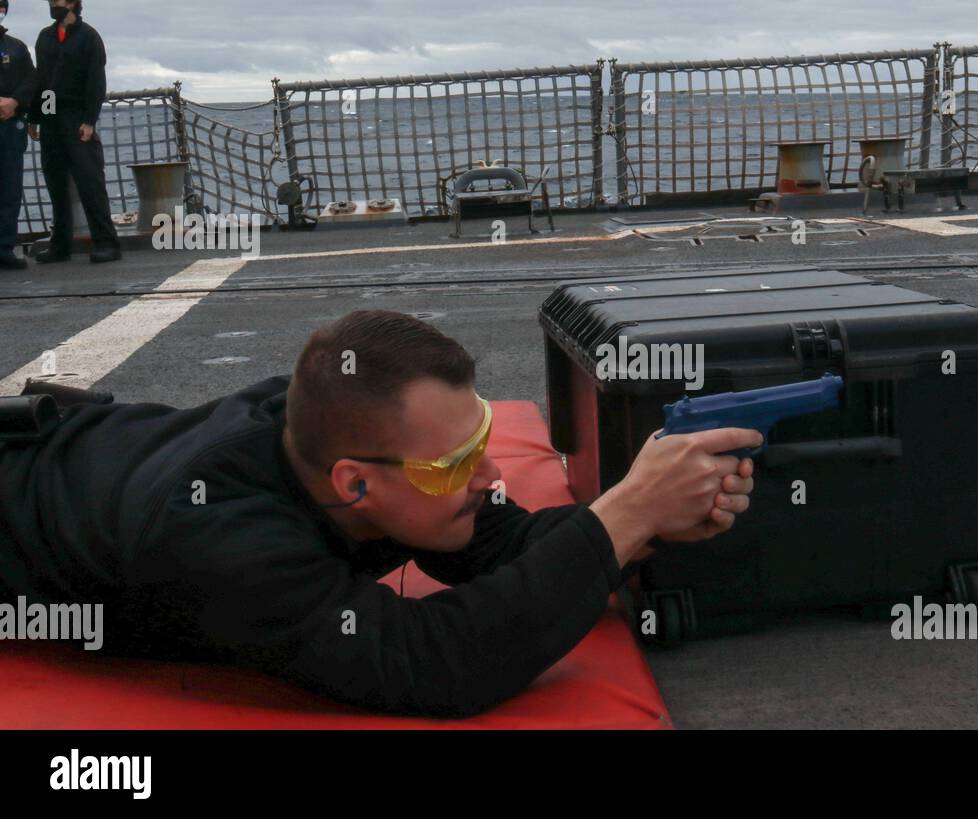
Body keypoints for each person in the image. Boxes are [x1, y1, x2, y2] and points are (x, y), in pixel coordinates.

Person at [0, 310, 760, 717]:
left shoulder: (323, 423)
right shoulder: (228, 543)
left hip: (84, 449)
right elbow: (439, 662)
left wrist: (651, 523)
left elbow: (516, 545)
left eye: (484, 441)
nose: (490, 474)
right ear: (355, 483)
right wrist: (623, 516)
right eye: (456, 464)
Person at [28, 0, 120, 264]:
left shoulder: (88, 37)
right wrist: (37, 117)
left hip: (77, 117)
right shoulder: (45, 37)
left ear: (72, 3)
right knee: (56, 183)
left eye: (57, 0)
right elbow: (43, 80)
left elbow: (95, 81)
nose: (53, 3)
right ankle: (60, 246)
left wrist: (90, 120)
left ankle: (106, 242)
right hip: (52, 119)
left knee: (90, 181)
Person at [0, 0, 36, 270]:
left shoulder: (17, 47)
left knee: (10, 190)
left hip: (11, 128)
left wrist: (16, 103)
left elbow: (33, 81)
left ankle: (4, 248)